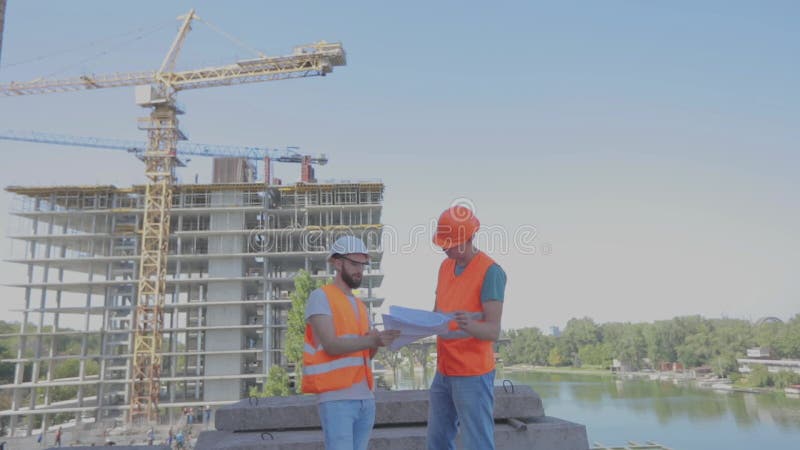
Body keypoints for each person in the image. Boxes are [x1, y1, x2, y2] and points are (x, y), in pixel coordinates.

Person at [302, 235, 400, 450]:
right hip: (336, 399)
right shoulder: (321, 297)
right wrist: (369, 340)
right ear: (337, 263)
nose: (359, 270)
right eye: (354, 263)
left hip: (365, 399)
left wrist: (376, 343)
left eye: (362, 265)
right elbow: (331, 345)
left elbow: (365, 355)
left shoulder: (360, 306)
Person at [426, 206, 507, 450]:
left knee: (477, 442)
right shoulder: (444, 268)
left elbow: (493, 331)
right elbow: (436, 314)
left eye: (449, 242)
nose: (443, 247)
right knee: (437, 441)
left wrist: (469, 325)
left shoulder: (491, 272)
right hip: (444, 371)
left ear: (467, 239)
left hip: (472, 374)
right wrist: (414, 324)